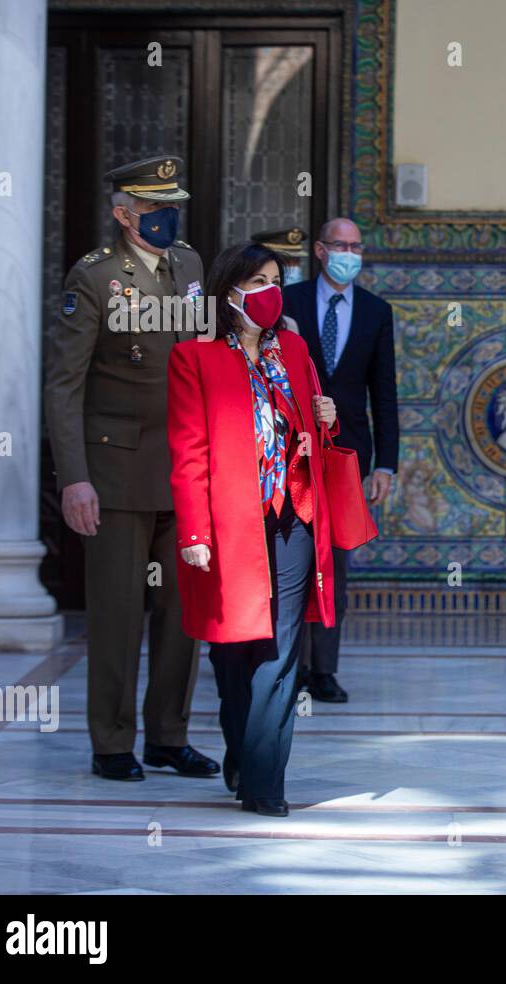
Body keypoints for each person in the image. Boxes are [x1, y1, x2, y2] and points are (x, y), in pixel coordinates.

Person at [43, 155, 217, 783]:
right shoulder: (92, 279)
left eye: (172, 207)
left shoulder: (191, 264)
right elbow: (64, 386)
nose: (167, 217)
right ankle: (112, 740)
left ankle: (168, 735)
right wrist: (75, 477)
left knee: (181, 612)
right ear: (124, 214)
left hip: (183, 468)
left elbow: (200, 362)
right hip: (114, 472)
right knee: (117, 615)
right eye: (154, 209)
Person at [167, 242, 339, 817]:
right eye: (258, 281)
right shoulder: (195, 358)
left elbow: (309, 429)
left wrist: (324, 419)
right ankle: (241, 752)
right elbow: (189, 453)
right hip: (230, 526)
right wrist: (193, 533)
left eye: (276, 280)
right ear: (229, 292)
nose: (270, 292)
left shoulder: (292, 347)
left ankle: (266, 783)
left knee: (280, 649)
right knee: (232, 652)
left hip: (291, 515)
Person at [283, 217, 398, 702]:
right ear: (320, 250)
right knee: (290, 557)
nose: (349, 252)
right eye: (339, 245)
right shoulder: (287, 302)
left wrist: (386, 464)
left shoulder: (375, 311)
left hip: (347, 455)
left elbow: (384, 391)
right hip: (291, 450)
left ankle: (323, 670)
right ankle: (288, 664)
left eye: (356, 245)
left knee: (336, 562)